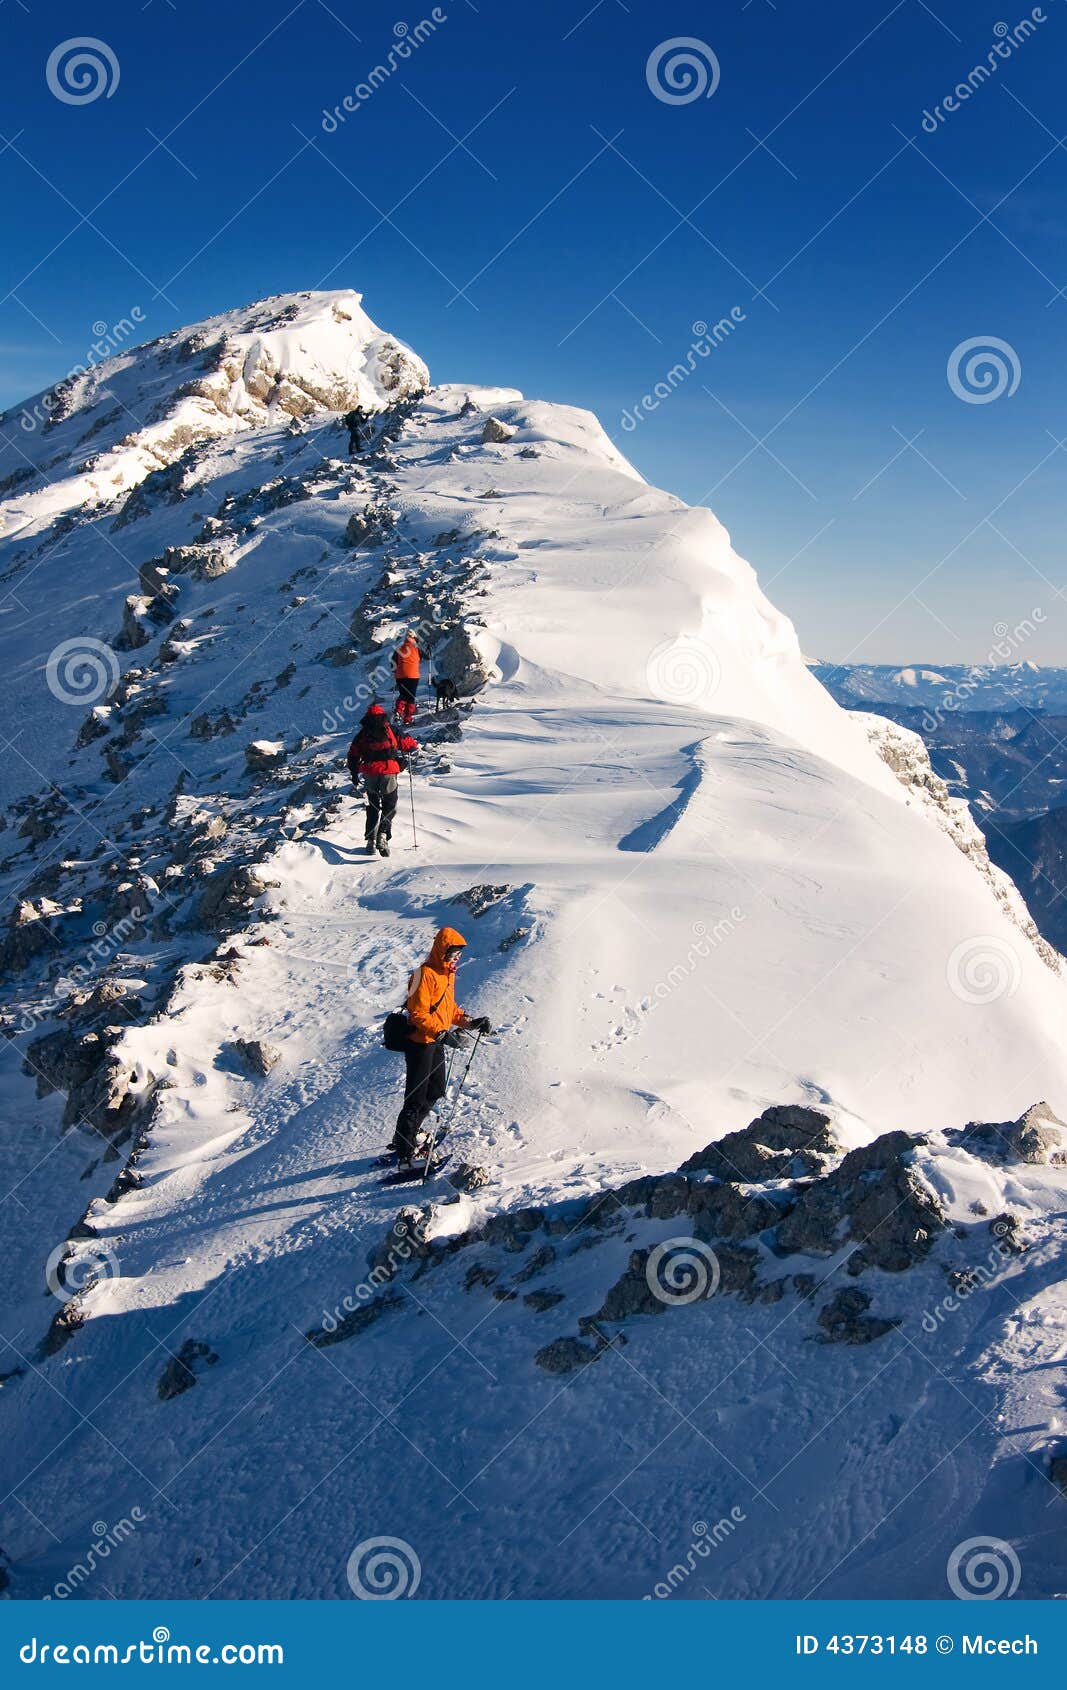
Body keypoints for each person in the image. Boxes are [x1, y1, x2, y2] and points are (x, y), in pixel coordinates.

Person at [392, 926, 492, 1164]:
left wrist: (471, 1022)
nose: (456, 958)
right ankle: (406, 1155)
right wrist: (440, 1034)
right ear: (441, 950)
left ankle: (409, 1135)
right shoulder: (423, 974)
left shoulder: (447, 974)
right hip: (420, 1043)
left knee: (435, 1090)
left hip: (435, 1041)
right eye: (452, 953)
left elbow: (448, 1009)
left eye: (459, 955)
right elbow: (418, 1014)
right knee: (416, 1098)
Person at [346, 704, 416, 856]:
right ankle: (383, 835)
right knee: (389, 804)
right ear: (383, 716)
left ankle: (370, 841)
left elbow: (353, 754)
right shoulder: (390, 729)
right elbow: (409, 744)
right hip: (388, 771)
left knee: (373, 806)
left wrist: (354, 772)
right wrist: (408, 752)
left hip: (370, 773)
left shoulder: (363, 733)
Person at [392, 632, 422, 726]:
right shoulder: (417, 648)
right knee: (411, 697)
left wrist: (396, 671)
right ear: (414, 638)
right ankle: (408, 719)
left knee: (403, 694)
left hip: (400, 676)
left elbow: (393, 662)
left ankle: (398, 711)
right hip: (413, 676)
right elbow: (428, 656)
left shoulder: (399, 648)